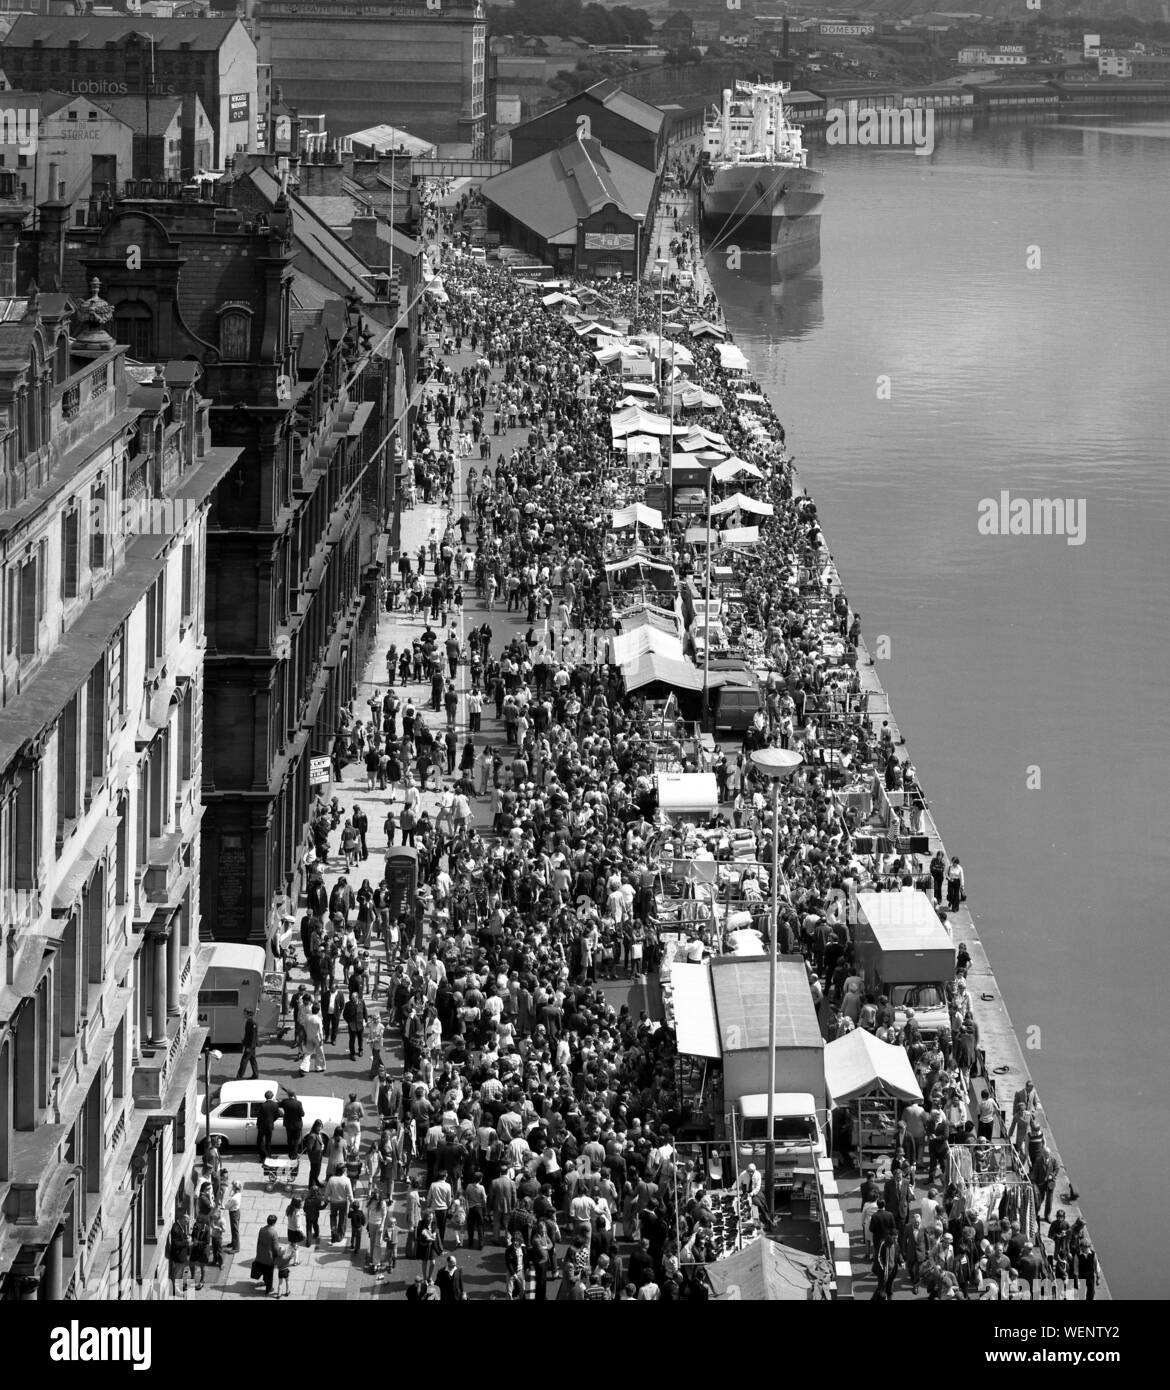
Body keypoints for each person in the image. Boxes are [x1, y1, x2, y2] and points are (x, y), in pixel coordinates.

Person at [253, 1213, 281, 1296]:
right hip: (269, 1256)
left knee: (264, 1270)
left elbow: (259, 1242)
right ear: (274, 1222)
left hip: (261, 1254)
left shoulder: (261, 1229)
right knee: (269, 1273)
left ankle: (265, 1281)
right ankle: (268, 1289)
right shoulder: (273, 1232)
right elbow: (275, 1247)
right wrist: (279, 1253)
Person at [325, 1164, 354, 1242]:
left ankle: (333, 1232)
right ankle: (340, 1236)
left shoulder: (331, 1179)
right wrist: (352, 1202)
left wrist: (326, 1200)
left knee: (333, 1217)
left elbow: (327, 1193)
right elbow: (350, 1194)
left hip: (333, 1202)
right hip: (343, 1203)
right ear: (343, 1171)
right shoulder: (346, 1180)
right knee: (342, 1219)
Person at [256, 1089, 280, 1162]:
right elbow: (278, 1114)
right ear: (272, 1096)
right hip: (270, 1125)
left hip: (262, 1126)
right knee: (268, 1142)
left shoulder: (263, 1105)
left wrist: (258, 1124)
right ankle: (268, 1155)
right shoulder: (275, 1104)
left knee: (259, 1141)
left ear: (265, 1097)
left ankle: (264, 1156)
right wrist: (272, 1120)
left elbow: (259, 1116)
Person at [281, 1089, 305, 1160]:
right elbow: (302, 1114)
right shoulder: (298, 1103)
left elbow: (279, 1104)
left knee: (289, 1140)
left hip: (288, 1124)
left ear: (288, 1095)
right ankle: (294, 1155)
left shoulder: (285, 1102)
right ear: (294, 1095)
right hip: (297, 1125)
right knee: (296, 1141)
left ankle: (290, 1154)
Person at [236, 1009, 260, 1080]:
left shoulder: (253, 1023)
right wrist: (244, 1041)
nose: (243, 1014)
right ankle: (255, 1075)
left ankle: (239, 1077)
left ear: (248, 1014)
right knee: (253, 1060)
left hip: (250, 1046)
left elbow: (253, 1037)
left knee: (244, 1061)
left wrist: (249, 1047)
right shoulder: (249, 1021)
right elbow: (248, 1035)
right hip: (250, 1045)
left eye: (244, 1013)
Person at [285, 1196, 306, 1264]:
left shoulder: (289, 1208)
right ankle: (295, 1261)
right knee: (296, 1247)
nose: (302, 1204)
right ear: (298, 1204)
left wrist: (301, 1213)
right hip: (295, 1231)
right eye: (301, 1203)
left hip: (290, 1230)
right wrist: (301, 1231)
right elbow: (297, 1225)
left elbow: (289, 1215)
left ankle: (288, 1256)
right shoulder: (297, 1213)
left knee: (292, 1244)